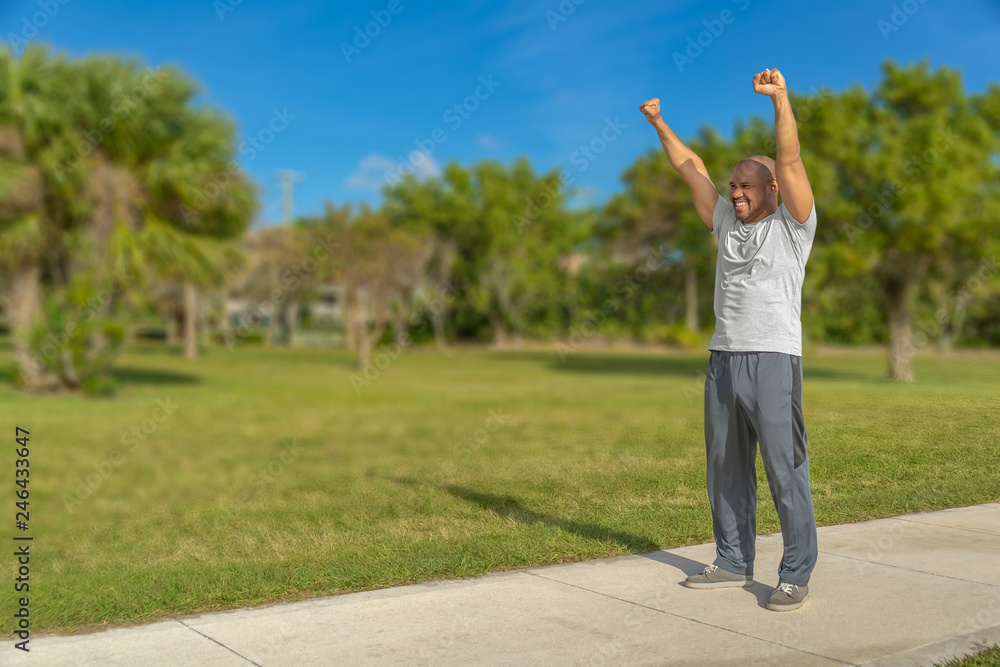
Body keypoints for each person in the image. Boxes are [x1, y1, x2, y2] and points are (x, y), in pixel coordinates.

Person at [639, 68, 818, 612]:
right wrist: (659, 123)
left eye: (745, 185)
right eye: (733, 184)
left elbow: (788, 159)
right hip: (723, 357)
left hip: (773, 357)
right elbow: (690, 167)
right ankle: (733, 560)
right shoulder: (724, 220)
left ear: (773, 191)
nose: (735, 192)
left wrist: (780, 100)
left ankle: (794, 573)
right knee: (725, 465)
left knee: (785, 468)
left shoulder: (794, 224)